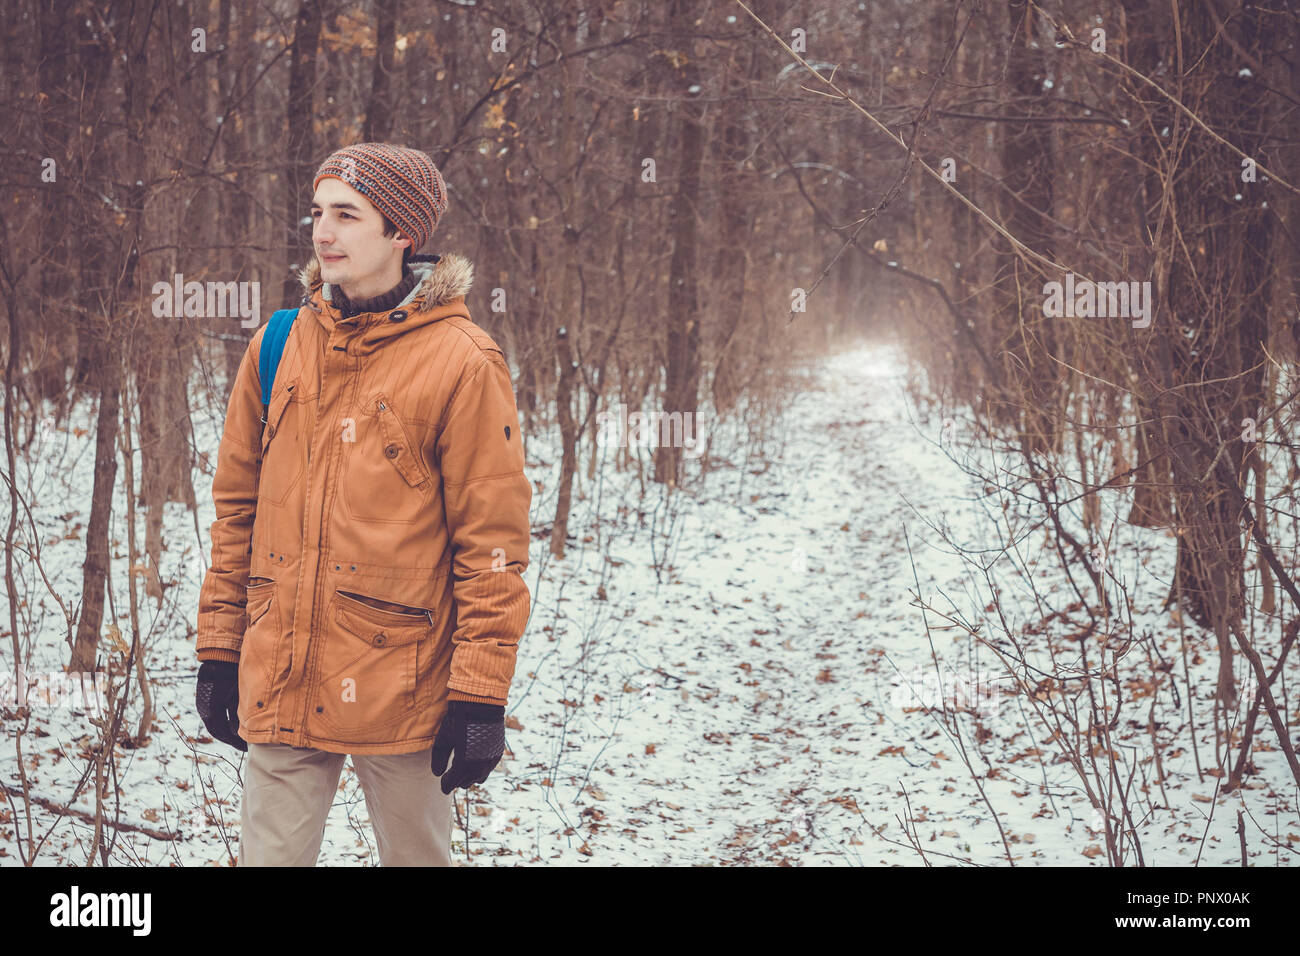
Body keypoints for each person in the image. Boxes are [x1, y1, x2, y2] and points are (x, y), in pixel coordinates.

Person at [193, 143, 532, 866]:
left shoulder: (463, 361)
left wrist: (480, 693)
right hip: (281, 670)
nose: (323, 232)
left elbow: (492, 545)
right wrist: (220, 647)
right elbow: (236, 514)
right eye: (318, 213)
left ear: (402, 234)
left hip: (405, 690)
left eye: (347, 215)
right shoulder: (279, 344)